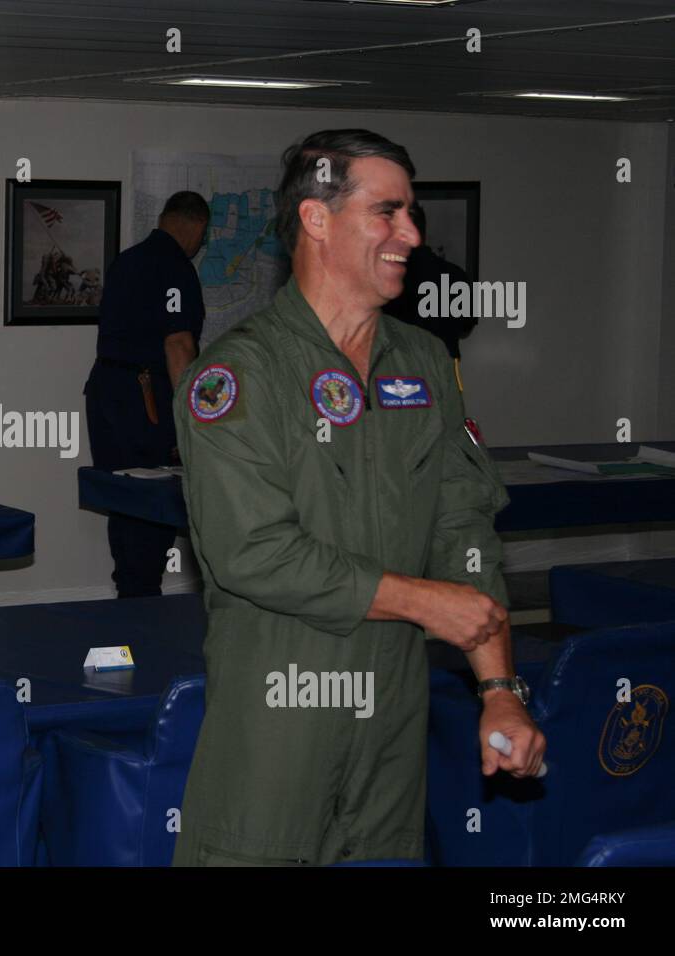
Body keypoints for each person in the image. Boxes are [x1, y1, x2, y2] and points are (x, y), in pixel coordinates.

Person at [171, 130, 546, 866]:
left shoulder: (425, 362)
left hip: (394, 727)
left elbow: (462, 526)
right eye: (387, 212)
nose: (411, 233)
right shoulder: (238, 378)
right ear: (316, 219)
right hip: (280, 720)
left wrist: (499, 688)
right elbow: (254, 553)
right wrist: (423, 602)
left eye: (411, 214)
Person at [84, 191, 208, 597]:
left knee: (124, 501)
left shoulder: (127, 260)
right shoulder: (175, 268)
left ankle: (130, 599)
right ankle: (143, 608)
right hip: (146, 403)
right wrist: (195, 419)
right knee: (152, 504)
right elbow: (178, 346)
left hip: (107, 397)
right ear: (198, 228)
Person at [382, 202, 477, 389]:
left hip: (399, 375)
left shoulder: (388, 275)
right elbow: (466, 325)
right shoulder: (455, 275)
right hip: (444, 372)